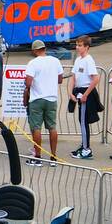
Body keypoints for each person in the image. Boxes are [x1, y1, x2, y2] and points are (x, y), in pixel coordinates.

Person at [24, 38, 63, 166]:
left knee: (36, 128)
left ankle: (38, 157)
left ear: (35, 50)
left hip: (37, 99)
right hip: (51, 99)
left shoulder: (33, 63)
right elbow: (60, 79)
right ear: (44, 49)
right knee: (52, 127)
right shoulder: (55, 61)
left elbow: (28, 82)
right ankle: (53, 157)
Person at [69, 35, 101, 160]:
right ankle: (84, 145)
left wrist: (86, 94)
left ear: (87, 47)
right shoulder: (78, 60)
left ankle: (86, 149)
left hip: (85, 92)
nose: (77, 47)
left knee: (83, 122)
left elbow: (96, 78)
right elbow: (73, 77)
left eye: (80, 45)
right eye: (77, 45)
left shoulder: (89, 60)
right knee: (81, 121)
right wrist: (70, 93)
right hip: (78, 92)